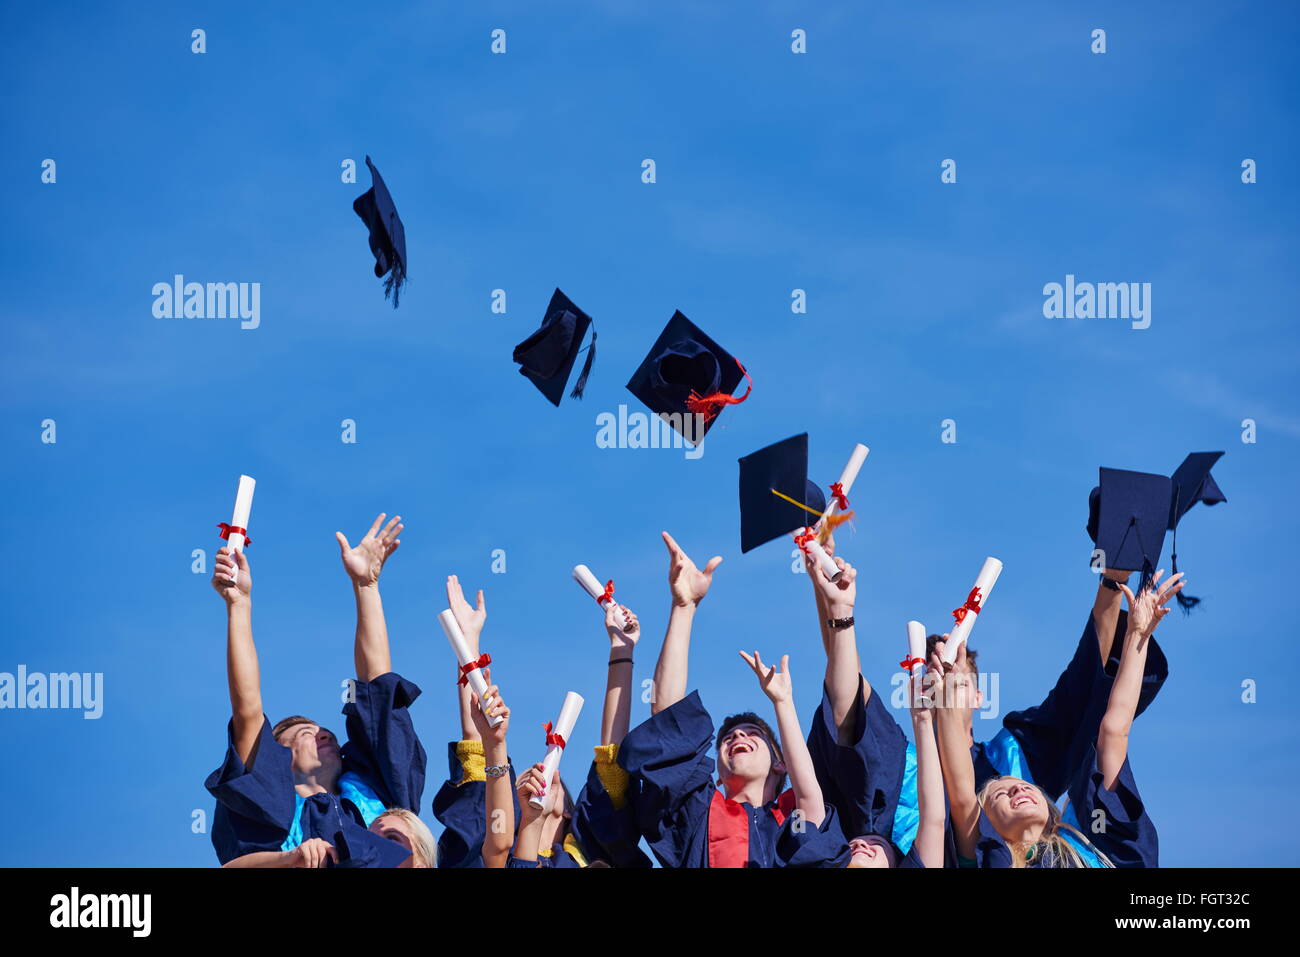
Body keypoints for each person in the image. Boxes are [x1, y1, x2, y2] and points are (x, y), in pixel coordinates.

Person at [204, 513, 426, 867]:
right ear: (276, 761)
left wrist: (366, 587)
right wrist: (239, 605)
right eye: (306, 733)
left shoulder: (380, 803)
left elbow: (377, 689)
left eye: (324, 731)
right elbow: (247, 710)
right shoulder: (266, 814)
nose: (324, 733)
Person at [617, 531, 846, 867]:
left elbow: (810, 798)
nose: (738, 735)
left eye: (753, 734)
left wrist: (783, 703)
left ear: (780, 762)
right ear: (718, 774)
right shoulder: (699, 813)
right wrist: (683, 608)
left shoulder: (790, 821)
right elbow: (668, 721)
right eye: (727, 737)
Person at [937, 572, 1181, 867]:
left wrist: (1137, 634)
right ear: (984, 827)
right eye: (998, 795)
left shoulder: (1101, 850)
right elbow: (962, 796)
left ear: (1053, 810)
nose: (1018, 787)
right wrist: (947, 694)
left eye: (1025, 786)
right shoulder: (989, 860)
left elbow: (1114, 730)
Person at [801, 539, 945, 867]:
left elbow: (847, 704)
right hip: (912, 796)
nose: (860, 850)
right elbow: (934, 822)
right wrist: (923, 721)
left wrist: (835, 607)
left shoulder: (847, 814)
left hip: (872, 795)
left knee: (847, 718)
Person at [430, 577, 586, 866]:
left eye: (555, 781)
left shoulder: (583, 861)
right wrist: (467, 641)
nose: (542, 774)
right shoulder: (497, 843)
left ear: (568, 811)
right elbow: (477, 744)